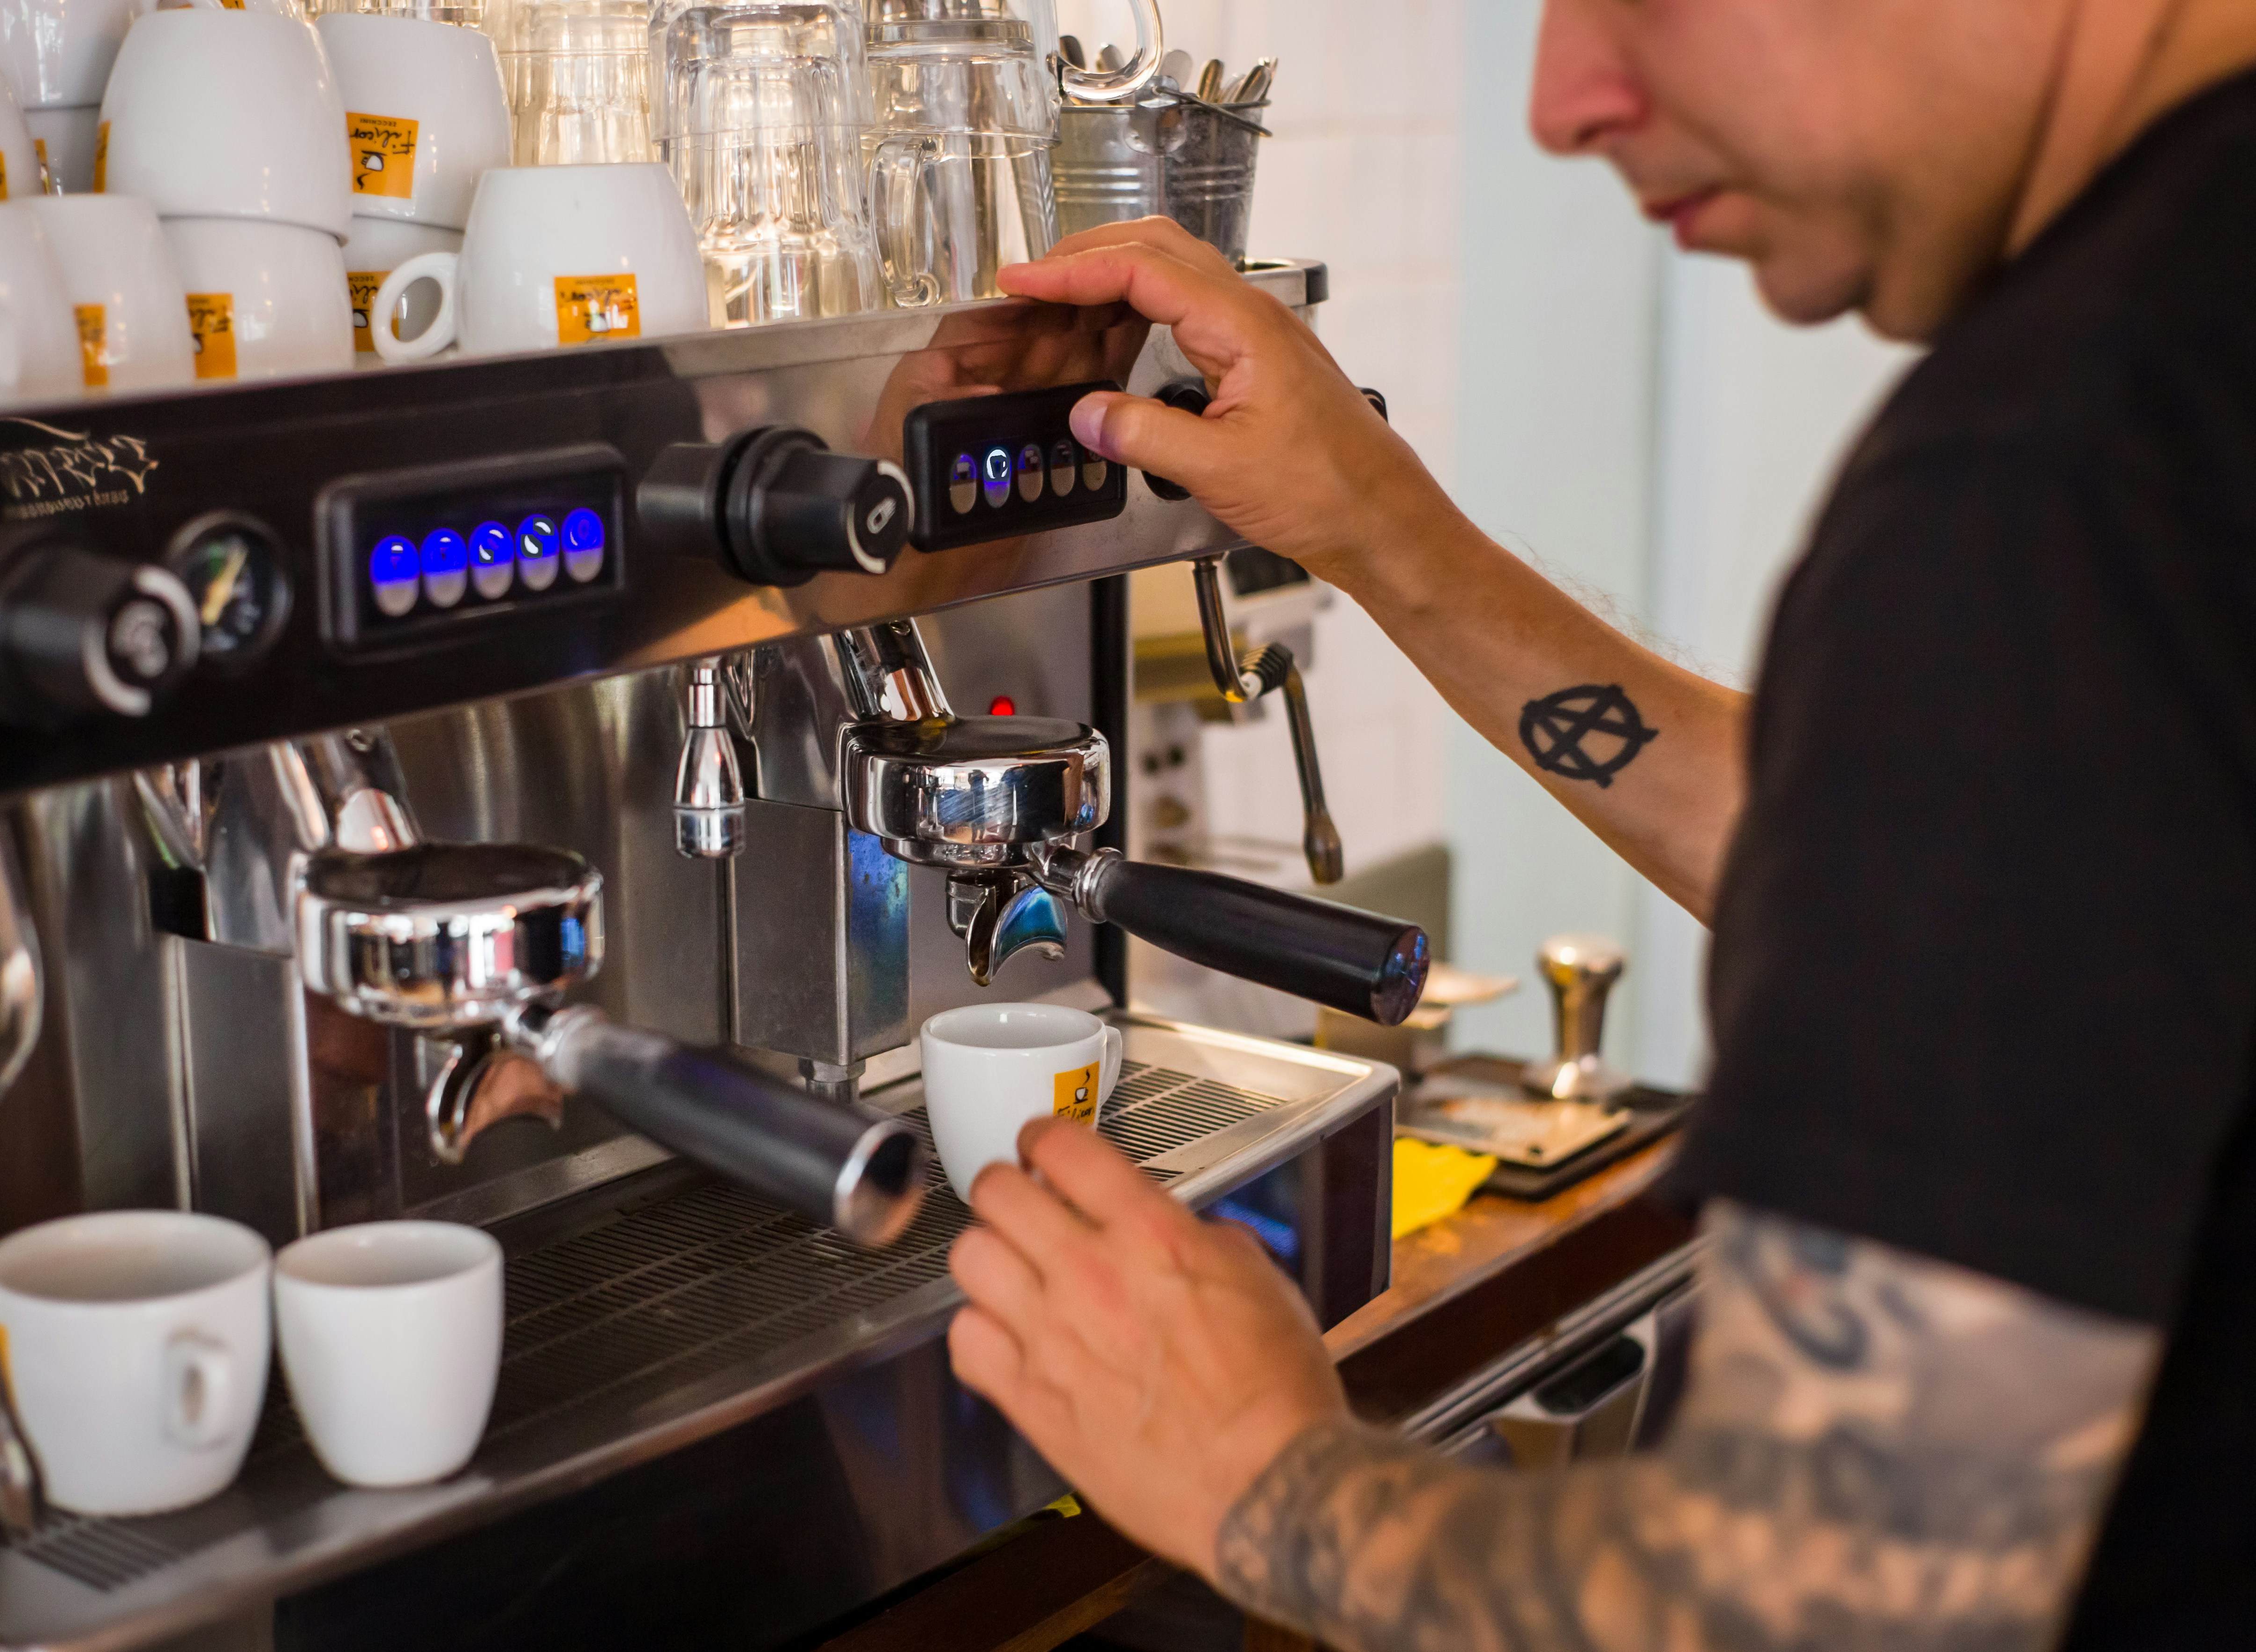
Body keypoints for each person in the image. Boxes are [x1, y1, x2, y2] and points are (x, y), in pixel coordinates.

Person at [943, 0, 2256, 1646]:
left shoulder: (2064, 467)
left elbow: (1832, 1611)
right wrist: (1382, 530)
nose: (1565, 101)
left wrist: (1253, 1472)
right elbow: (2011, 883)